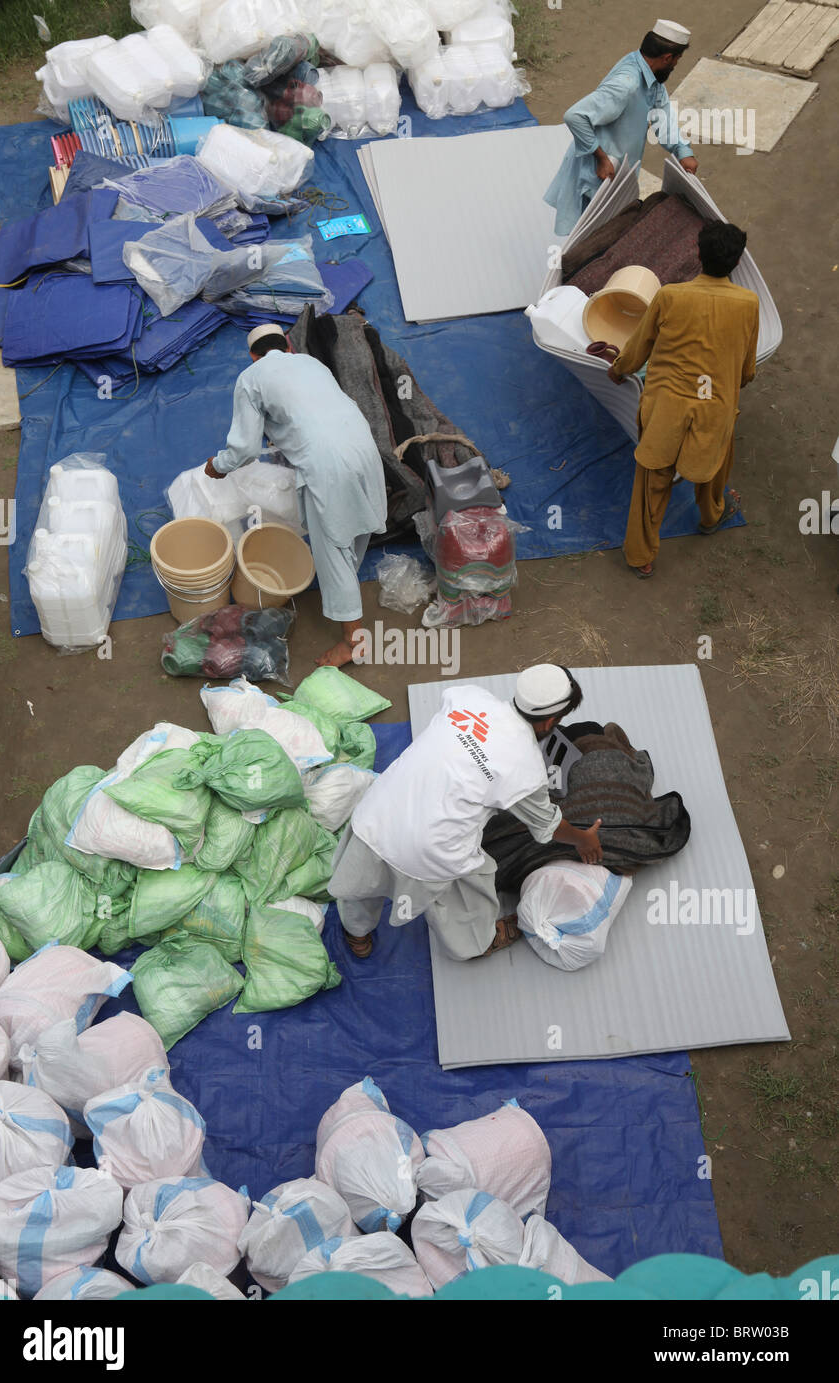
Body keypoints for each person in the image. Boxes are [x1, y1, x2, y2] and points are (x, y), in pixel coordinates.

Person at [328, 664, 604, 962]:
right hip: (427, 853)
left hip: (374, 816)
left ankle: (357, 935)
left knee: (359, 884)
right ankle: (476, 943)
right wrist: (583, 840)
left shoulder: (467, 697)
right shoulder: (527, 769)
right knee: (473, 890)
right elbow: (546, 826)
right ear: (551, 720)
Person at [205, 324, 387, 667]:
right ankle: (347, 592)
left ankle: (353, 641)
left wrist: (219, 464)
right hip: (365, 449)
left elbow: (244, 448)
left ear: (253, 355)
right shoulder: (312, 363)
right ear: (287, 345)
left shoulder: (250, 377)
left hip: (328, 465)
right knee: (355, 533)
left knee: (332, 548)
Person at [608, 220, 760, 577]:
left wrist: (618, 370)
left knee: (652, 480)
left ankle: (640, 556)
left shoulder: (669, 296)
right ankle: (712, 514)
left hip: (666, 406)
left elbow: (638, 348)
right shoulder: (748, 303)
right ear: (737, 263)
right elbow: (747, 369)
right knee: (716, 458)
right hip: (713, 405)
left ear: (697, 254)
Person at [544, 20, 699, 238]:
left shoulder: (652, 79)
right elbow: (575, 116)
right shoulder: (626, 84)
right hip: (598, 175)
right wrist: (601, 158)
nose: (675, 66)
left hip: (618, 174)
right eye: (676, 60)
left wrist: (684, 152)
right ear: (666, 58)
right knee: (589, 237)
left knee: (608, 232)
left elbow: (662, 118)